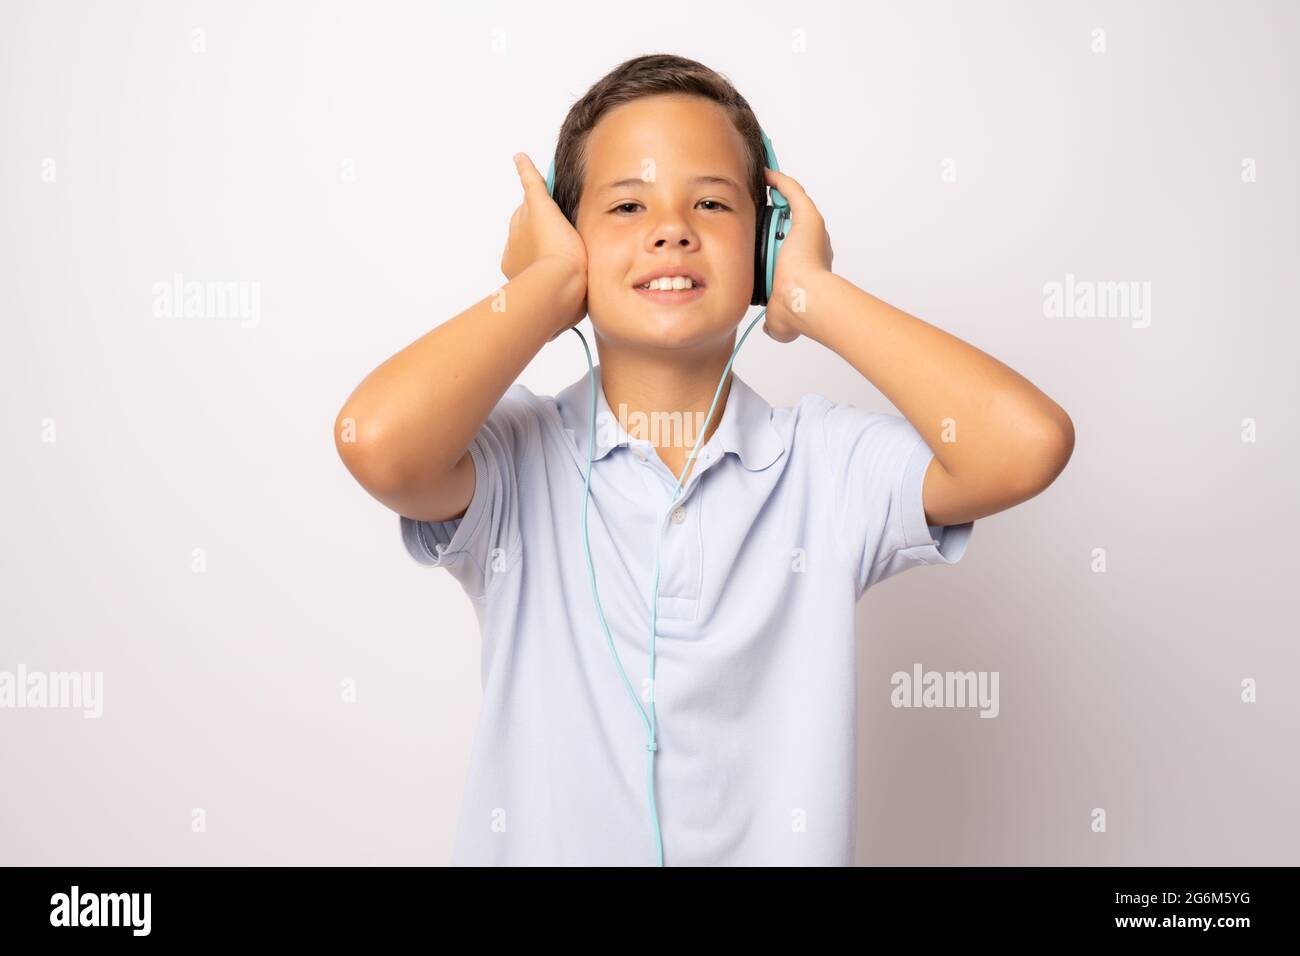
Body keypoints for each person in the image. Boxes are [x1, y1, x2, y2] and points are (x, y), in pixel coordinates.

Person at [333, 54, 1074, 866]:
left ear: (765, 243)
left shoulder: (825, 470)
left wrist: (812, 296)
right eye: (625, 204)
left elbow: (1026, 444)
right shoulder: (513, 461)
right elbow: (376, 440)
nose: (671, 229)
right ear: (568, 238)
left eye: (712, 202)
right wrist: (544, 288)